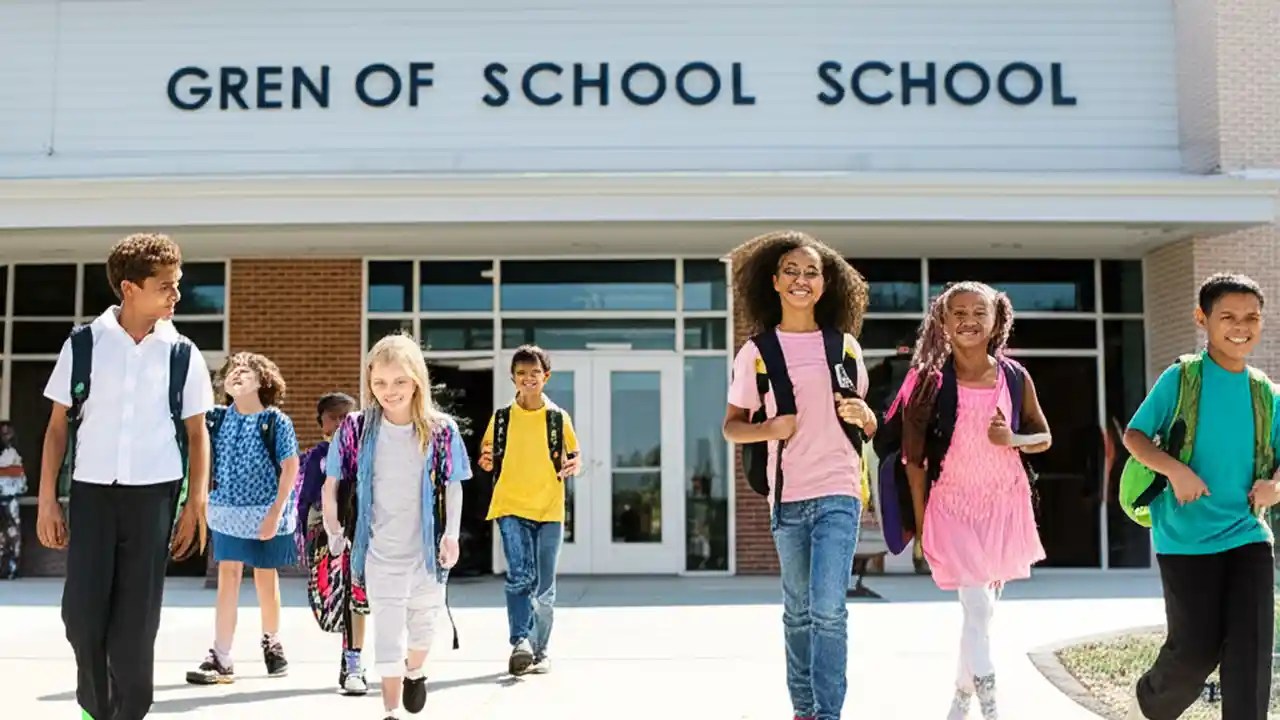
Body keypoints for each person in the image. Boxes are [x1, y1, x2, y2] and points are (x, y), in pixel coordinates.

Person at [37, 232, 214, 720]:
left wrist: (194, 503)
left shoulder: (183, 354)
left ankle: (128, 712)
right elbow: (56, 430)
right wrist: (49, 499)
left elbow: (198, 434)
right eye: (166, 285)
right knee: (82, 617)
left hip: (153, 499)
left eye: (178, 284)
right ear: (130, 289)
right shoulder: (84, 345)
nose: (176, 294)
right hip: (93, 496)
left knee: (135, 627)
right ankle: (96, 707)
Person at [722, 230, 876, 720]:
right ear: (774, 281)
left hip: (839, 490)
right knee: (798, 613)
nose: (801, 279)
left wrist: (866, 418)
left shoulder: (844, 347)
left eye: (811, 272)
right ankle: (804, 708)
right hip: (787, 499)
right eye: (791, 271)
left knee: (829, 609)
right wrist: (771, 426)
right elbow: (731, 428)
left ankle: (828, 714)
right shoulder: (757, 352)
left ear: (825, 285)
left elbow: (869, 421)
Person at [891, 281, 1050, 720]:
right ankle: (991, 706)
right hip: (952, 505)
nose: (969, 320)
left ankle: (959, 701)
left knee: (981, 611)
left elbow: (1044, 436)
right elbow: (914, 461)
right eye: (958, 312)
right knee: (978, 605)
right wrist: (922, 527)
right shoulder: (929, 382)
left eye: (979, 312)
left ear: (997, 319)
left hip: (1004, 500)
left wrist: (1013, 437)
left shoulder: (1014, 377)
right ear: (942, 322)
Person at [1124, 273, 1279, 720]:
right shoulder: (1182, 378)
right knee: (1193, 654)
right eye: (1228, 316)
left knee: (1249, 659)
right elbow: (1136, 435)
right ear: (1202, 319)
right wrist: (1175, 471)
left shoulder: (1264, 393)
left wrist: (1275, 487)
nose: (1241, 326)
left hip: (1248, 533)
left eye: (1251, 317)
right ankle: (1151, 702)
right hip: (1185, 536)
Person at [322, 333, 470, 720]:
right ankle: (390, 712)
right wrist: (335, 531)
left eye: (399, 381)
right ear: (369, 382)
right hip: (378, 552)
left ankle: (415, 671)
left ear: (417, 380)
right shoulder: (355, 428)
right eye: (380, 383)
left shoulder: (440, 430)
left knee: (423, 629)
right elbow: (331, 483)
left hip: (426, 551)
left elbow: (453, 485)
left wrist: (451, 533)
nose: (390, 391)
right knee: (387, 633)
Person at [187, 353, 300, 685]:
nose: (236, 374)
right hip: (227, 514)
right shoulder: (216, 418)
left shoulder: (276, 421)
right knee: (229, 577)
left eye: (245, 371)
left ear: (262, 381)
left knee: (266, 579)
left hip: (266, 512)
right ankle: (221, 656)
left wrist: (275, 514)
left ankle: (272, 640)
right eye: (232, 371)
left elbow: (290, 467)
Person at [477, 344, 581, 676]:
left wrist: (573, 464)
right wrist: (486, 459)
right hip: (510, 505)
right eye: (521, 374)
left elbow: (575, 456)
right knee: (520, 576)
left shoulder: (558, 418)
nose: (528, 379)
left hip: (549, 508)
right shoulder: (502, 418)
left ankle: (541, 649)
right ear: (513, 378)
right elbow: (487, 453)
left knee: (545, 588)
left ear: (546, 377)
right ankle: (520, 642)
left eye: (534, 373)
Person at [297, 391, 371, 695]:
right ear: (321, 423)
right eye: (334, 417)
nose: (341, 422)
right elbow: (305, 499)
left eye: (347, 416)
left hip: (360, 533)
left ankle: (353, 660)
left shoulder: (365, 454)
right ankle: (348, 655)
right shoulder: (317, 457)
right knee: (332, 603)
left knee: (357, 596)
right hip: (327, 537)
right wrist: (307, 536)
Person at [0, 421, 26, 579]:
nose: (6, 436)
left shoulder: (14, 454)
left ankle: (12, 568)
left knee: (13, 534)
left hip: (11, 499)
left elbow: (21, 478)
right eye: (3, 433)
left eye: (9, 433)